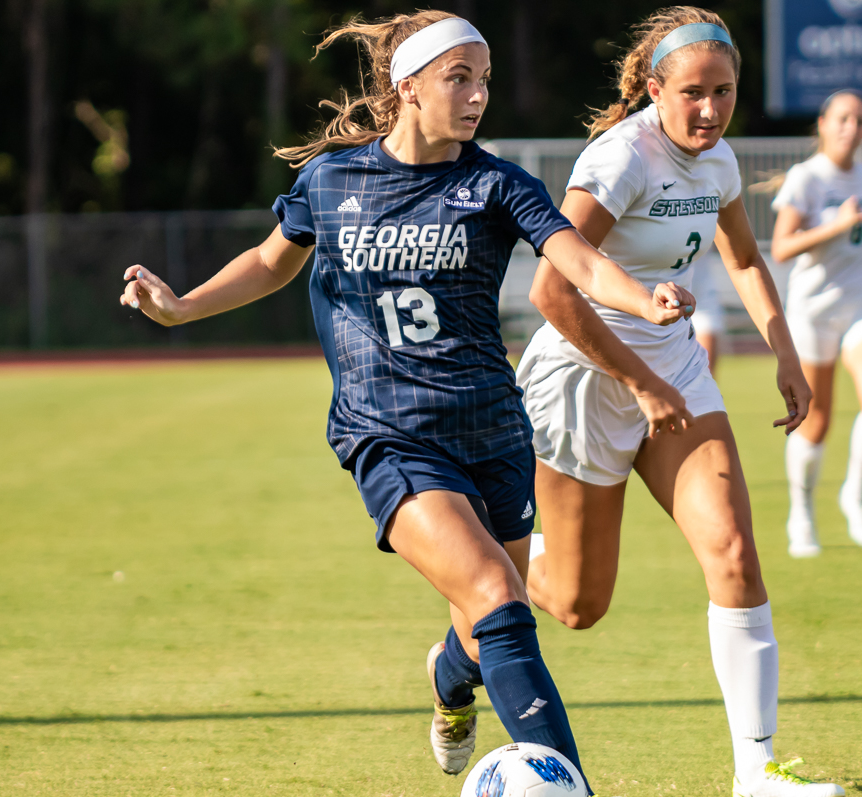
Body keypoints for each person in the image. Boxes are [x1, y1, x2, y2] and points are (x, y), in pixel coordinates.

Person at [116, 11, 697, 788]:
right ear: (407, 86)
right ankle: (570, 782)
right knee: (497, 594)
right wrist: (180, 306)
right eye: (459, 77)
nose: (478, 95)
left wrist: (642, 298)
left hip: (494, 431)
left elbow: (580, 263)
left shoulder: (495, 183)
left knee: (487, 615)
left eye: (484, 79)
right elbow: (269, 261)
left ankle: (448, 679)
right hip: (388, 436)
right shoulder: (332, 181)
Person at [517, 9, 842, 797]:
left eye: (724, 92)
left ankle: (756, 770)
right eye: (692, 93)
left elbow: (746, 256)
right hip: (584, 379)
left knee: (733, 551)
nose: (709, 110)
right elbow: (551, 289)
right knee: (576, 604)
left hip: (675, 371)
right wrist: (639, 381)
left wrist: (786, 353)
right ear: (653, 88)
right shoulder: (622, 158)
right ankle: (482, 590)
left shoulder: (721, 162)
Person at [767, 90, 862, 559]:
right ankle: (801, 514)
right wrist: (836, 227)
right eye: (843, 118)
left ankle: (855, 494)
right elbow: (781, 248)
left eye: (861, 120)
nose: (851, 127)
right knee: (815, 421)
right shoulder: (807, 178)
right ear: (823, 124)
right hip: (812, 309)